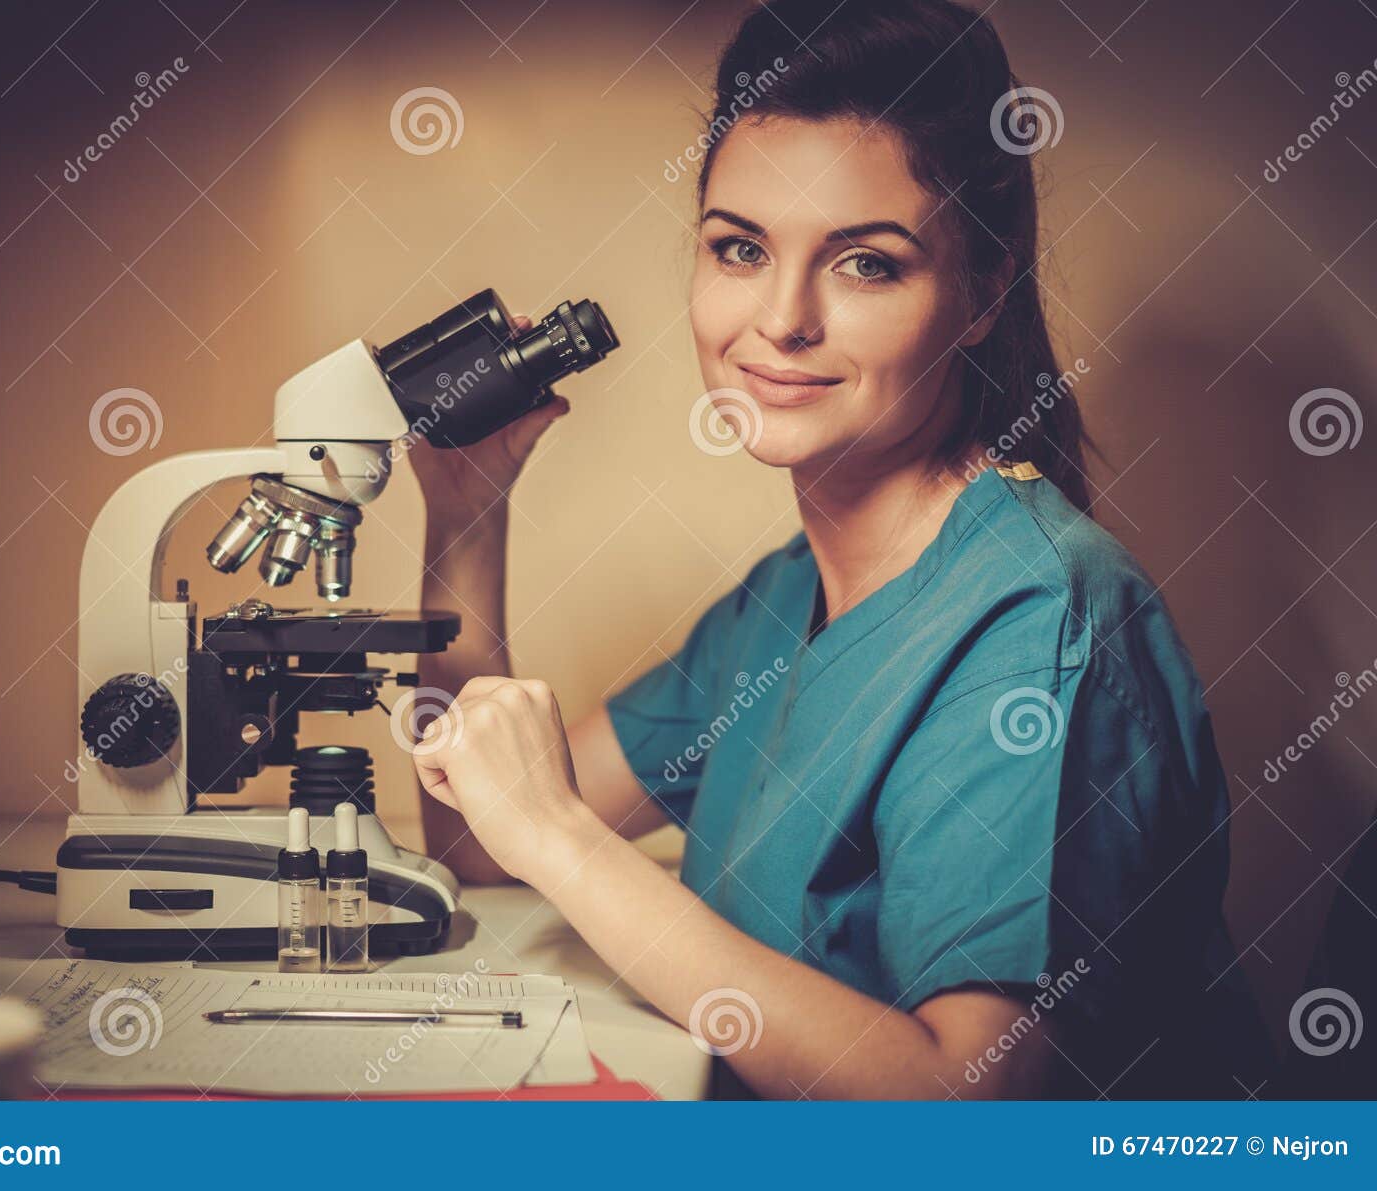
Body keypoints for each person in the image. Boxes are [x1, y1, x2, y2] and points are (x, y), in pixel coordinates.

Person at [407, 0, 1270, 1099]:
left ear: (981, 290)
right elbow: (478, 837)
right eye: (739, 248)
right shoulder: (783, 604)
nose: (780, 318)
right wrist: (469, 514)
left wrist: (564, 839)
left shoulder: (1038, 621)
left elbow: (966, 1112)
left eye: (864, 264)